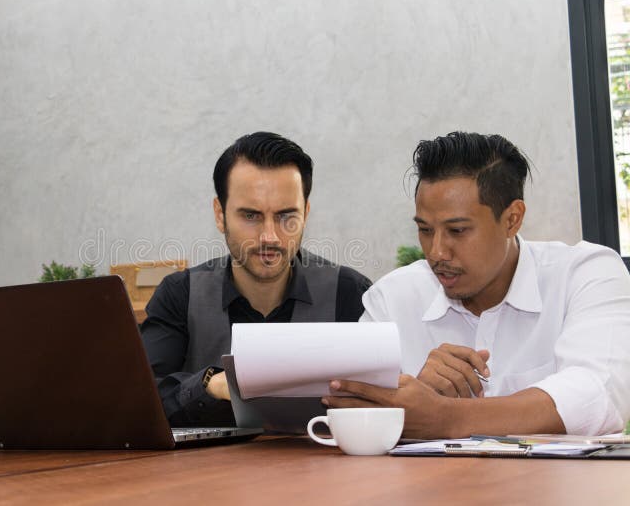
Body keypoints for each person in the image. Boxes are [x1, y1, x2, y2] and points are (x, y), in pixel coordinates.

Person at [325, 131, 630, 438]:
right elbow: (352, 409)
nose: (436, 252)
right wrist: (415, 395)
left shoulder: (585, 274)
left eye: (457, 230)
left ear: (512, 219)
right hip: (429, 487)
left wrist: (443, 417)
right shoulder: (391, 299)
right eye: (425, 230)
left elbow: (597, 393)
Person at [141, 132, 372, 426]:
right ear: (219, 214)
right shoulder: (180, 295)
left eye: (286, 216)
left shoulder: (350, 293)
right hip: (206, 472)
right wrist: (211, 385)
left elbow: (382, 400)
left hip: (321, 469)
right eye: (250, 216)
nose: (269, 237)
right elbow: (141, 401)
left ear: (306, 213)